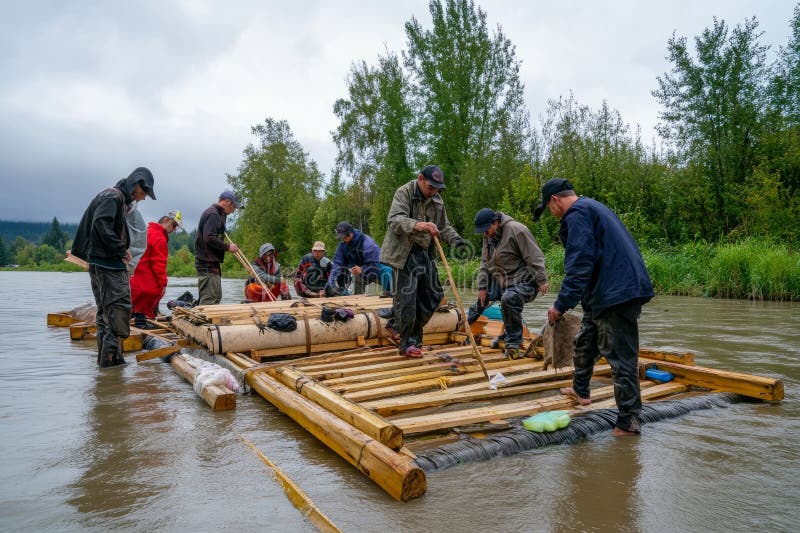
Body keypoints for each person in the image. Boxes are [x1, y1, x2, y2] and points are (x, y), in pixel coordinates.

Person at [535, 177, 654, 436]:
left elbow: (580, 264)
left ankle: (628, 422)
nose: (552, 215)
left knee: (621, 359)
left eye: (549, 209)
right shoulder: (590, 208)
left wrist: (561, 304)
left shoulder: (576, 215)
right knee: (585, 342)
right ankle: (581, 390)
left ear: (554, 200)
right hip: (604, 293)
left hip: (617, 294)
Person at [71, 167, 156, 368]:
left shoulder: (116, 198)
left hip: (102, 263)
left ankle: (110, 366)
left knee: (106, 315)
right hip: (107, 265)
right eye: (143, 194)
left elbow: (103, 226)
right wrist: (120, 249)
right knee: (118, 313)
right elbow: (101, 225)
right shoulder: (113, 197)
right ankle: (110, 364)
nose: (142, 199)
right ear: (137, 185)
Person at [381, 165, 467, 357]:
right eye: (431, 187)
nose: (434, 192)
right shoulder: (404, 193)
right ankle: (408, 343)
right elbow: (395, 220)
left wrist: (456, 240)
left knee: (433, 296)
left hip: (424, 252)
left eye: (437, 188)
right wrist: (420, 225)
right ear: (420, 179)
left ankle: (397, 325)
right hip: (404, 253)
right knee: (408, 300)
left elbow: (444, 227)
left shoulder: (437, 200)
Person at [473, 208, 549, 359]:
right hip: (503, 280)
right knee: (481, 302)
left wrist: (541, 280)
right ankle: (470, 325)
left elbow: (535, 256)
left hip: (526, 281)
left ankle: (513, 343)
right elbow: (484, 263)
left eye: (486, 230)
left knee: (509, 298)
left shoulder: (517, 230)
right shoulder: (488, 236)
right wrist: (482, 287)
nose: (484, 234)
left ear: (495, 223)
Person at [130, 210, 183, 328]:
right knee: (147, 303)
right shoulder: (160, 238)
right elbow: (159, 265)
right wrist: (163, 284)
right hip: (146, 284)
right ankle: (141, 326)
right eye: (173, 225)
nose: (174, 230)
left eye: (176, 227)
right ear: (165, 220)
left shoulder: (147, 231)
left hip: (134, 281)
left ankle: (134, 321)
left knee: (135, 308)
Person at [195, 190, 241, 305]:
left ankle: (210, 322)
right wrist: (228, 247)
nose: (233, 211)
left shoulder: (220, 214)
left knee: (216, 298)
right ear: (227, 202)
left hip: (212, 265)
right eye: (233, 207)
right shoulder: (213, 214)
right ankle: (202, 322)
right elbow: (209, 238)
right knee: (209, 301)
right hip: (207, 265)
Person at [328, 222, 393, 296]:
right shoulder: (343, 245)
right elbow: (336, 264)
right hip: (360, 273)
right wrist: (331, 284)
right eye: (341, 237)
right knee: (351, 274)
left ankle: (389, 293)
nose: (343, 239)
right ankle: (356, 299)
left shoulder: (368, 244)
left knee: (386, 271)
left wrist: (362, 269)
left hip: (376, 270)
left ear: (351, 233)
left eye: (345, 236)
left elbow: (375, 264)